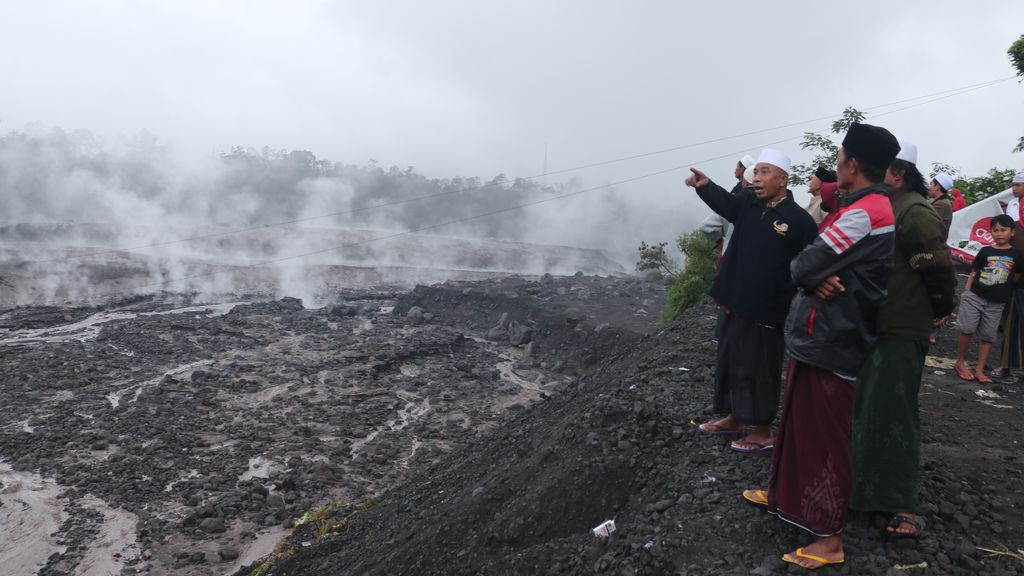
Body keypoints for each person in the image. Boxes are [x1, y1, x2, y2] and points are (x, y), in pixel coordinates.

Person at [742, 123, 900, 570]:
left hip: (836, 337)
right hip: (819, 334)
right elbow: (815, 261)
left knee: (825, 436)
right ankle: (784, 497)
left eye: (839, 156)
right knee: (796, 421)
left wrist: (811, 274)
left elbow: (805, 262)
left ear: (852, 164)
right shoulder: (858, 206)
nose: (835, 164)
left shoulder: (865, 212)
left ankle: (829, 538)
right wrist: (815, 274)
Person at [849, 139, 957, 539]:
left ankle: (900, 503)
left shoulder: (914, 210)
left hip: (902, 327)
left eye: (884, 171)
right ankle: (864, 492)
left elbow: (939, 270)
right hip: (878, 324)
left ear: (898, 174)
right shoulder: (887, 206)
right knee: (869, 410)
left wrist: (941, 308)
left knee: (895, 414)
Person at [686, 149, 817, 454]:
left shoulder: (798, 220)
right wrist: (705, 186)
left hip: (767, 308)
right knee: (730, 362)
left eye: (765, 172)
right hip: (734, 299)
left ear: (783, 180)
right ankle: (733, 418)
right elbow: (726, 204)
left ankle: (762, 431)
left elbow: (811, 262)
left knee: (759, 368)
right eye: (755, 172)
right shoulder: (745, 202)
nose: (756, 178)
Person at [952, 214, 1021, 383]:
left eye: (1003, 230)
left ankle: (980, 369)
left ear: (1012, 232)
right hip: (975, 296)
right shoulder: (985, 251)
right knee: (967, 328)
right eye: (995, 230)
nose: (999, 233)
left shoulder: (1017, 255)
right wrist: (967, 292)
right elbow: (974, 272)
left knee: (988, 336)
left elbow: (1016, 277)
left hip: (997, 302)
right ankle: (960, 362)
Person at [699, 154, 757, 255]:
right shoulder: (761, 202)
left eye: (737, 166)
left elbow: (707, 225)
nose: (735, 169)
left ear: (743, 168)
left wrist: (720, 242)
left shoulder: (735, 199)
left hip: (730, 252)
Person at [997, 170, 1024, 376]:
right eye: (1013, 185)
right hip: (1014, 273)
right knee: (1009, 320)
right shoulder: (1014, 207)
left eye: (1018, 185)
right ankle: (1006, 366)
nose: (1014, 189)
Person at [929, 172, 955, 241]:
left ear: (937, 187)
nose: (929, 187)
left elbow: (926, 224)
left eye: (931, 184)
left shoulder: (942, 204)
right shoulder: (939, 202)